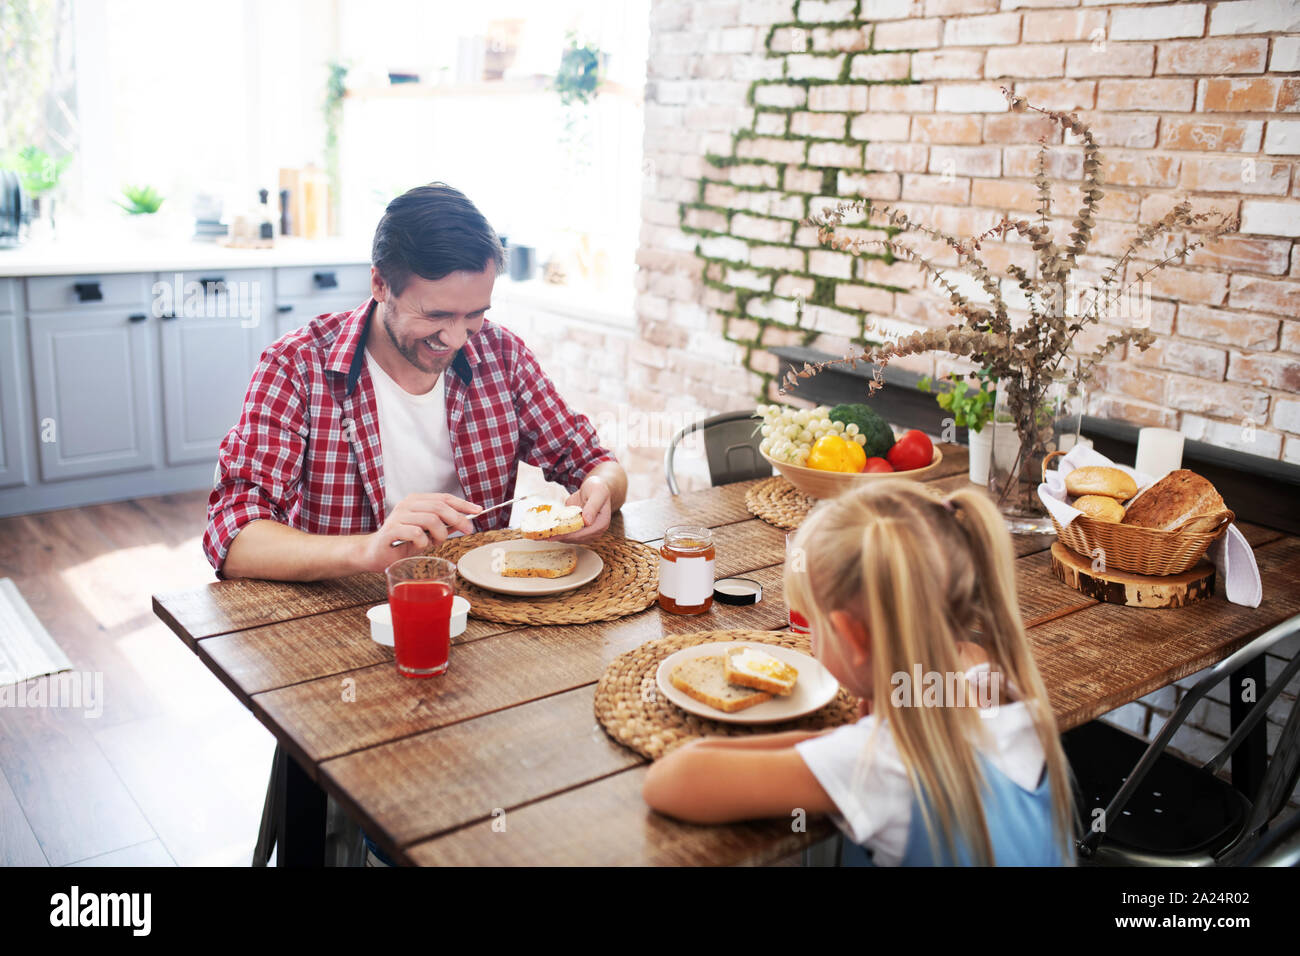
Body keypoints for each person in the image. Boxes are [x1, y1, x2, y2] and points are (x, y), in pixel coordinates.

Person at [202, 183, 627, 581]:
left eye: (474, 313)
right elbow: (233, 535)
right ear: (380, 285)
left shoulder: (502, 355)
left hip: (487, 602)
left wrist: (598, 488)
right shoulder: (297, 366)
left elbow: (596, 464)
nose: (457, 339)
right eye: (436, 316)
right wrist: (369, 551)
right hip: (346, 611)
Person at [642, 481, 1075, 866]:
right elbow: (966, 657)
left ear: (851, 637)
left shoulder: (877, 764)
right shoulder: (1002, 689)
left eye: (814, 623)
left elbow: (669, 781)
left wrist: (835, 741)